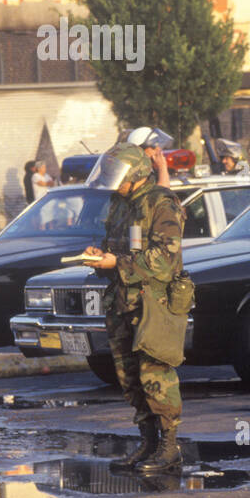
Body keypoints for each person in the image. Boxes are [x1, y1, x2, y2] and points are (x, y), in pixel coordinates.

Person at [82, 143, 188, 474]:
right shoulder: (121, 205)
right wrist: (101, 258)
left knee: (155, 374)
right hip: (122, 301)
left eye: (119, 174)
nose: (114, 180)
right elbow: (118, 249)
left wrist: (119, 262)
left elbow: (166, 259)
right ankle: (148, 442)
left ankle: (169, 448)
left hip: (152, 304)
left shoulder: (160, 203)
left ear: (137, 174)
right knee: (129, 377)